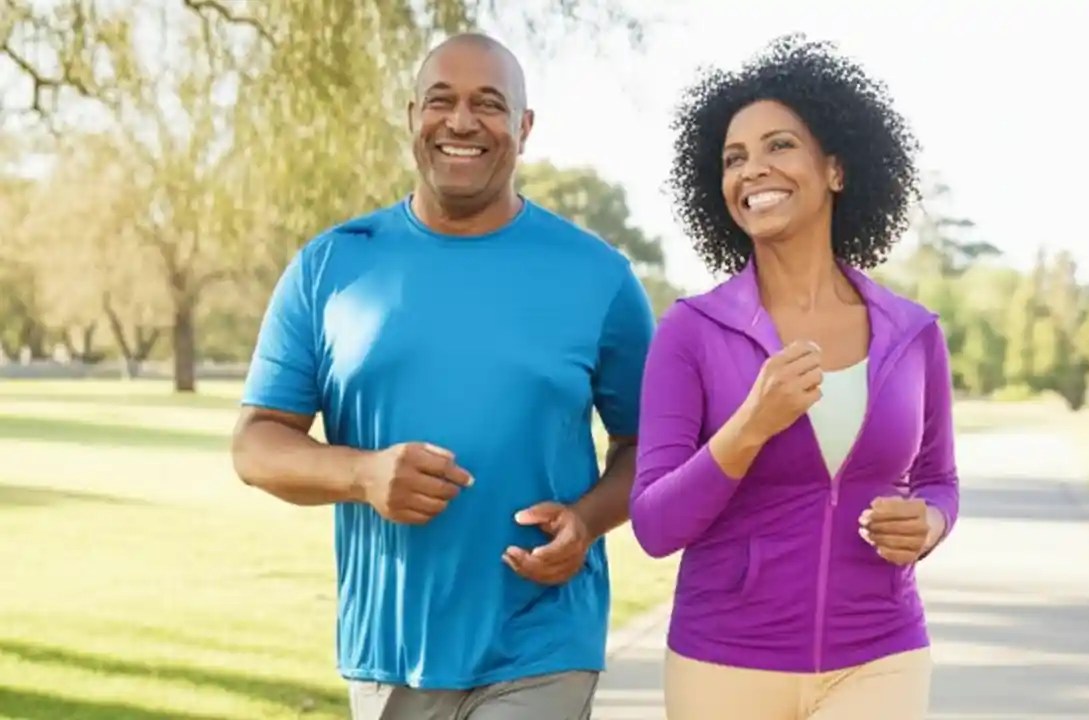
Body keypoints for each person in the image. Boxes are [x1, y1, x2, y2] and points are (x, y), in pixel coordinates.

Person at [231, 32, 654, 720]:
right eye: (441, 101)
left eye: (488, 104)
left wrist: (587, 519)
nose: (461, 122)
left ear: (524, 126)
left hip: (543, 643)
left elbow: (650, 447)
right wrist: (363, 475)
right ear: (411, 117)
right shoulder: (330, 266)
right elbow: (255, 443)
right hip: (388, 651)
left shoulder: (597, 275)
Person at [630, 34, 959, 720]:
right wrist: (752, 424)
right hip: (724, 661)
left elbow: (939, 480)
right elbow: (655, 526)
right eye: (733, 158)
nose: (753, 170)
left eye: (779, 146)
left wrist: (928, 522)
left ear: (836, 169)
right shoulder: (690, 333)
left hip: (882, 652)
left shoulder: (914, 333)